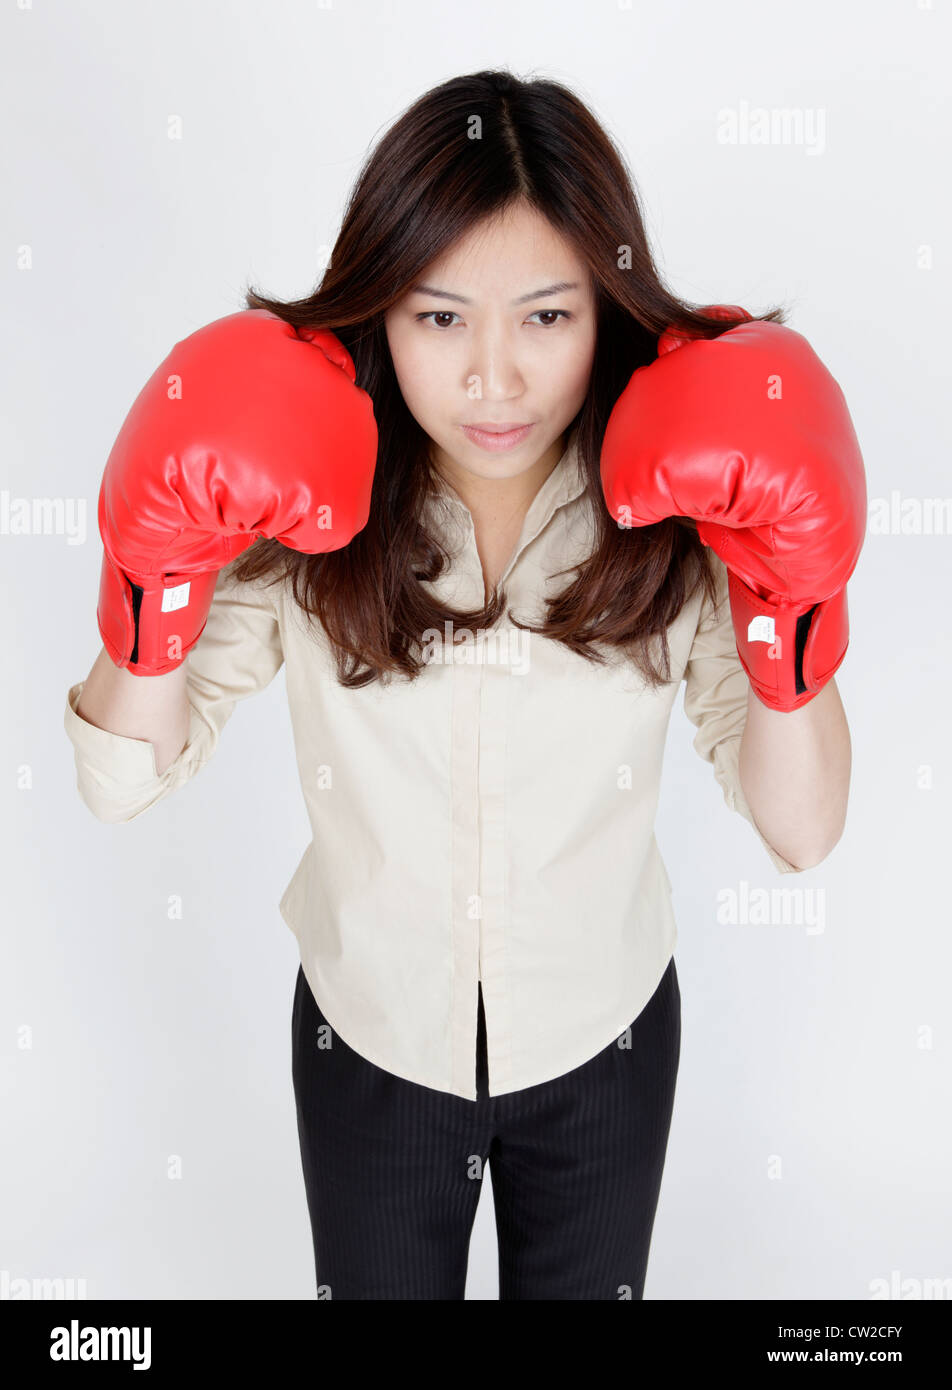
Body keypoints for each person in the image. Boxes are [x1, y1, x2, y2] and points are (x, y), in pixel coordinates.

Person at [63, 69, 865, 1300]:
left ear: (605, 308)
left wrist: (788, 614)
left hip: (606, 1030)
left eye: (545, 317)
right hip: (368, 1035)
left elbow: (802, 832)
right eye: (441, 319)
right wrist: (151, 584)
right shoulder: (306, 495)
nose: (495, 377)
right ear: (379, 313)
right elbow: (120, 782)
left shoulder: (674, 507)